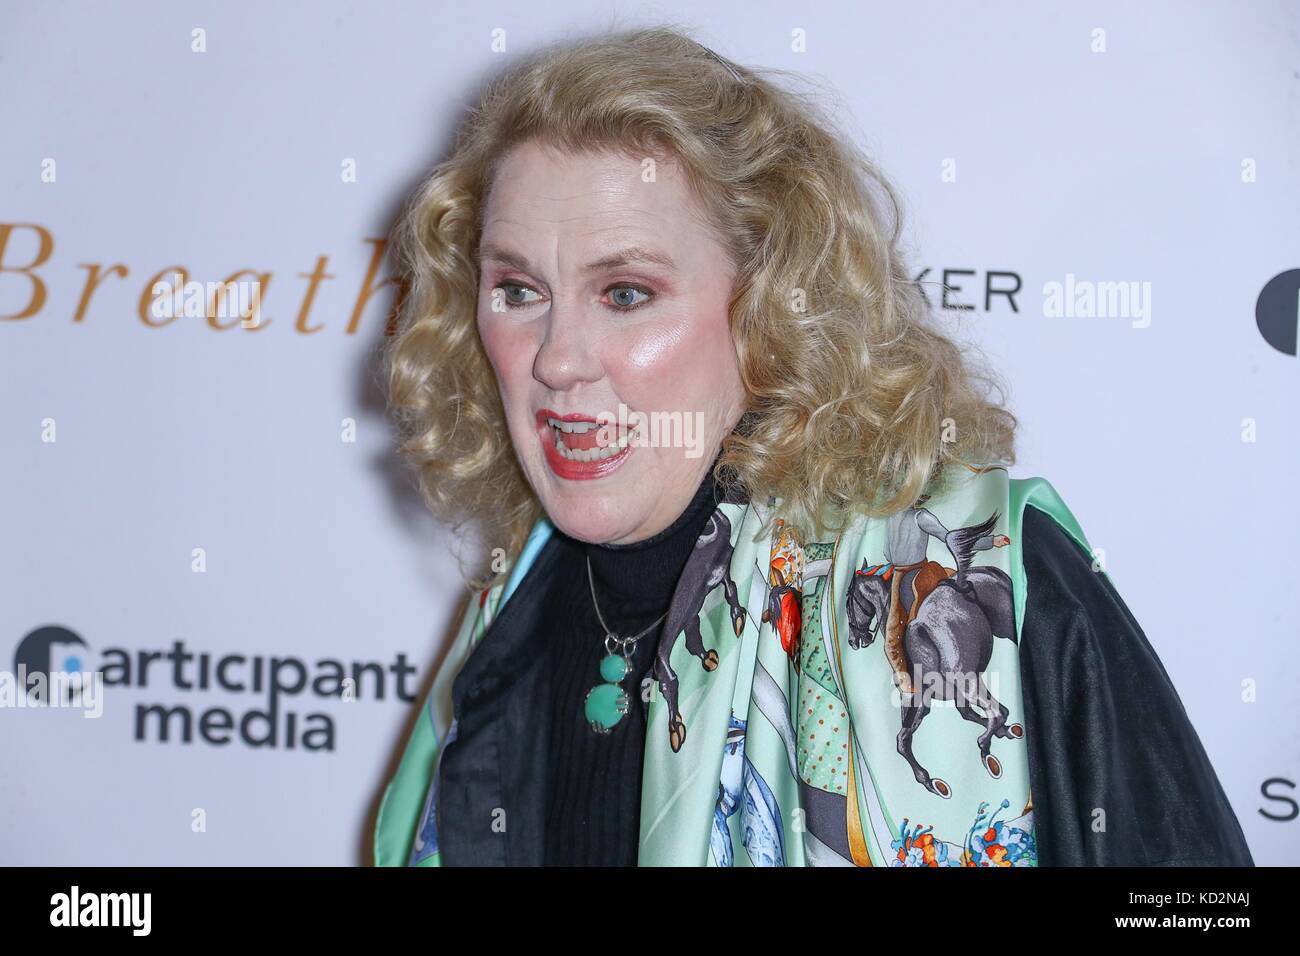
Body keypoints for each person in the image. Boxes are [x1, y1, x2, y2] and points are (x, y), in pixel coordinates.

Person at [372, 26, 1253, 867]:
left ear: (768, 307)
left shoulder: (991, 581)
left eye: (627, 294)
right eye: (519, 289)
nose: (558, 359)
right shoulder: (512, 605)